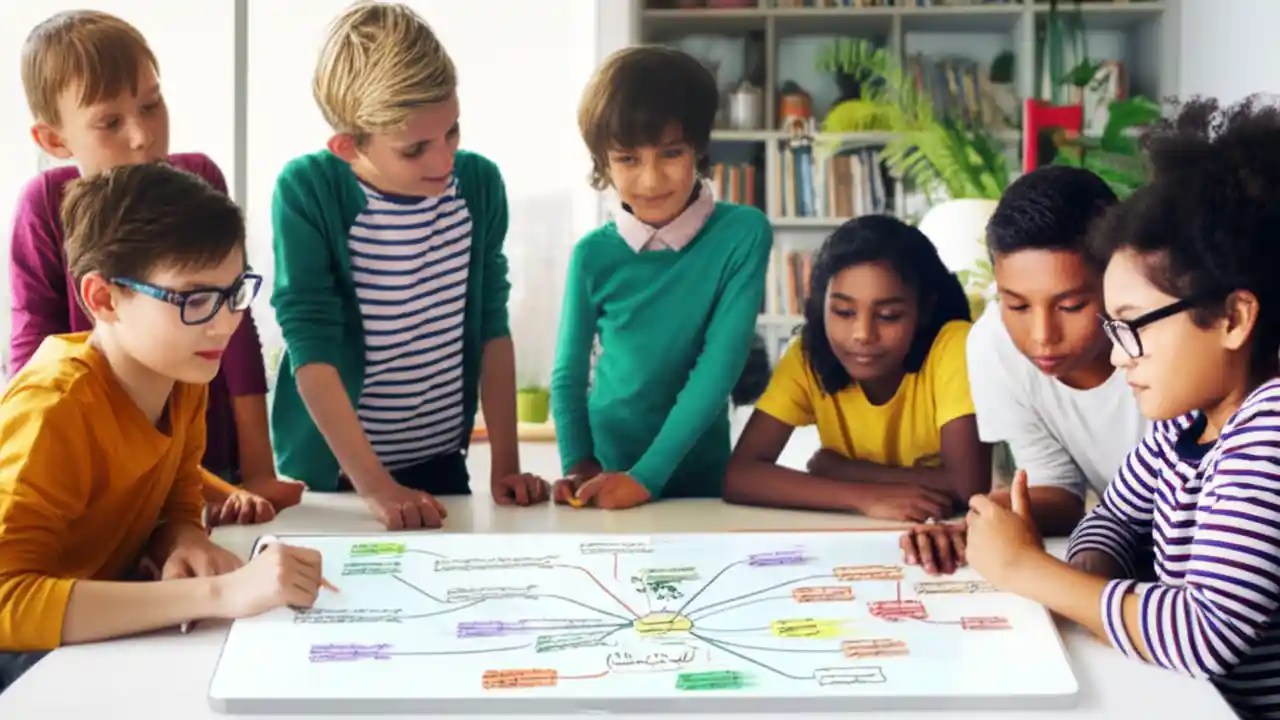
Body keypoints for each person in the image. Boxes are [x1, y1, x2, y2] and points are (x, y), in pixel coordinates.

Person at [964, 96, 1280, 719]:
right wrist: (1089, 584)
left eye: (1132, 328)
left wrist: (1029, 571)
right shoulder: (1186, 423)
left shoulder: (1269, 430)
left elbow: (1202, 635)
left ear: (1233, 317)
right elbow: (1109, 519)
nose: (1115, 358)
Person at [0, 163, 330, 692]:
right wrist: (220, 593)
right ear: (104, 298)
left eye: (232, 293)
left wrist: (182, 538)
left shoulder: (183, 374)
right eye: (195, 300)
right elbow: (6, 602)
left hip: (85, 629)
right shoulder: (53, 410)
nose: (225, 322)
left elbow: (174, 502)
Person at [8, 9, 297, 522]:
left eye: (151, 104)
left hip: (202, 454)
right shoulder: (44, 206)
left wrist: (258, 469)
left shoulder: (196, 178)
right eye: (110, 121)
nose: (142, 136)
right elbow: (35, 346)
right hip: (102, 473)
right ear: (54, 139)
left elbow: (236, 328)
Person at [269, 2, 546, 530]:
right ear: (348, 146)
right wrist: (376, 487)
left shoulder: (480, 186)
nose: (443, 161)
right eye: (415, 149)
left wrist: (506, 466)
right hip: (337, 481)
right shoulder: (307, 190)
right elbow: (312, 348)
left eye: (452, 133)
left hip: (440, 464)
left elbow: (492, 327)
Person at [548, 46, 772, 509]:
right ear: (603, 162)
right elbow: (568, 377)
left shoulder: (741, 234)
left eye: (671, 154)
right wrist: (578, 464)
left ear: (700, 149)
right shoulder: (591, 256)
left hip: (699, 480)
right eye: (628, 159)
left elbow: (717, 370)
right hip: (606, 477)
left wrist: (646, 478)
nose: (651, 180)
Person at [901, 166, 1145, 574]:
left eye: (1070, 307)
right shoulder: (993, 344)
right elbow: (1060, 492)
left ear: (1117, 276)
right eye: (1016, 305)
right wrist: (975, 527)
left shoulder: (1166, 349)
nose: (1042, 336)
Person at [724, 215, 988, 521]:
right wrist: (863, 497)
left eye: (888, 315)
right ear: (822, 306)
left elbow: (967, 486)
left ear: (924, 309)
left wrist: (840, 469)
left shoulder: (953, 346)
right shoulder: (807, 357)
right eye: (844, 312)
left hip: (945, 533)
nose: (862, 333)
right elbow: (740, 476)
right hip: (853, 532)